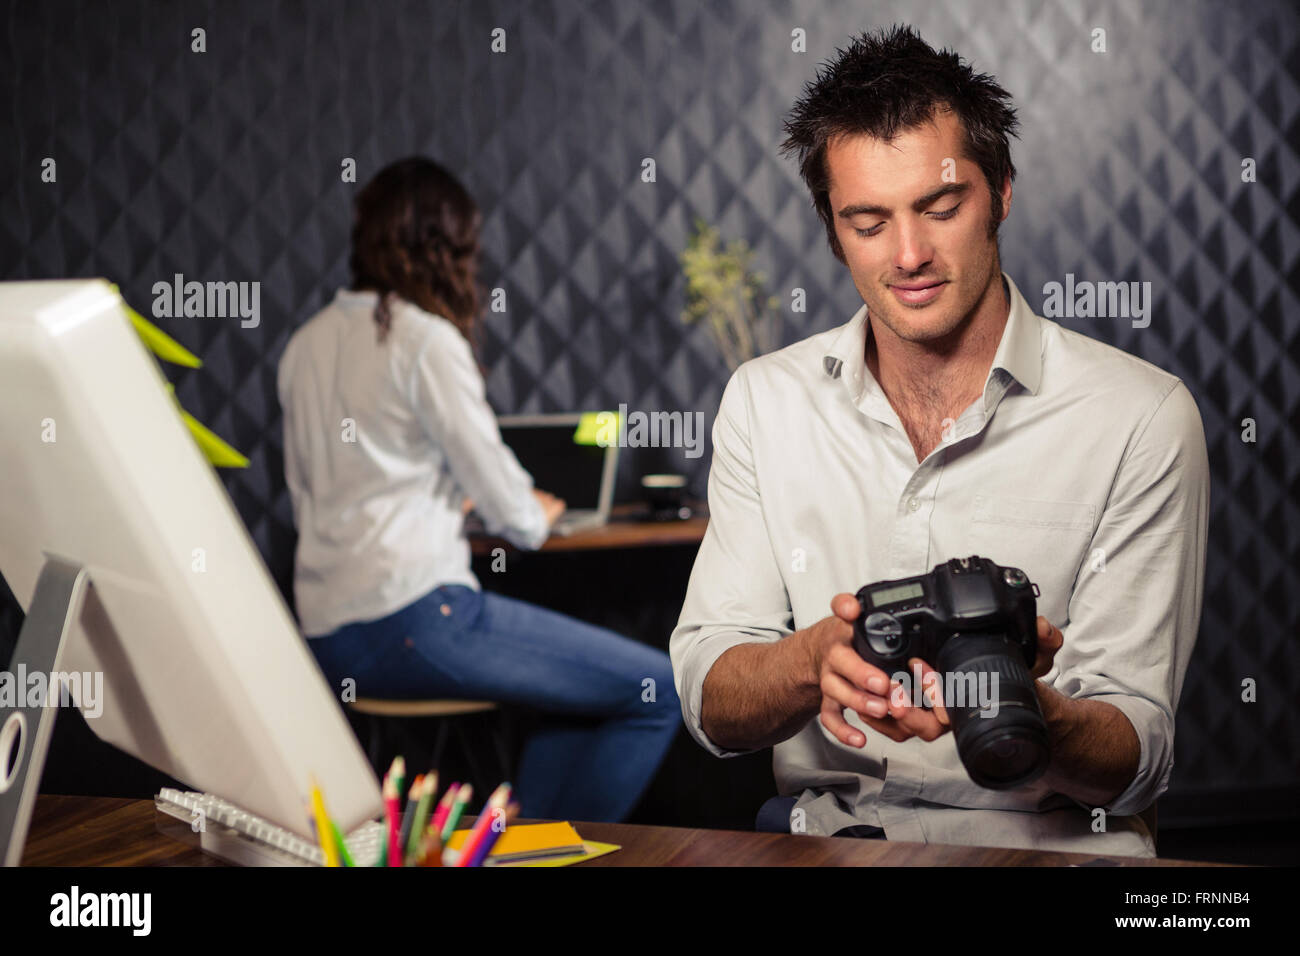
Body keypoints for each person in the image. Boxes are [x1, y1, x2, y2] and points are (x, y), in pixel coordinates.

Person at [670, 25, 1209, 856]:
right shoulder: (765, 401)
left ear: (1001, 192)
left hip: (1043, 852)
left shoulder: (1140, 418)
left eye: (941, 208)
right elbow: (710, 701)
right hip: (831, 847)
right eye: (868, 222)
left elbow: (1134, 759)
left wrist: (1022, 706)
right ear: (832, 230)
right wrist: (816, 660)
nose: (910, 254)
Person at [278, 157, 680, 822]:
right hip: (417, 622)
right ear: (448, 246)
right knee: (657, 688)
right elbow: (515, 515)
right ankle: (547, 858)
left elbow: (318, 491)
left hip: (326, 635)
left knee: (572, 696)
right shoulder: (424, 340)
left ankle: (521, 849)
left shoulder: (305, 345)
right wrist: (533, 511)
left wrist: (442, 502)